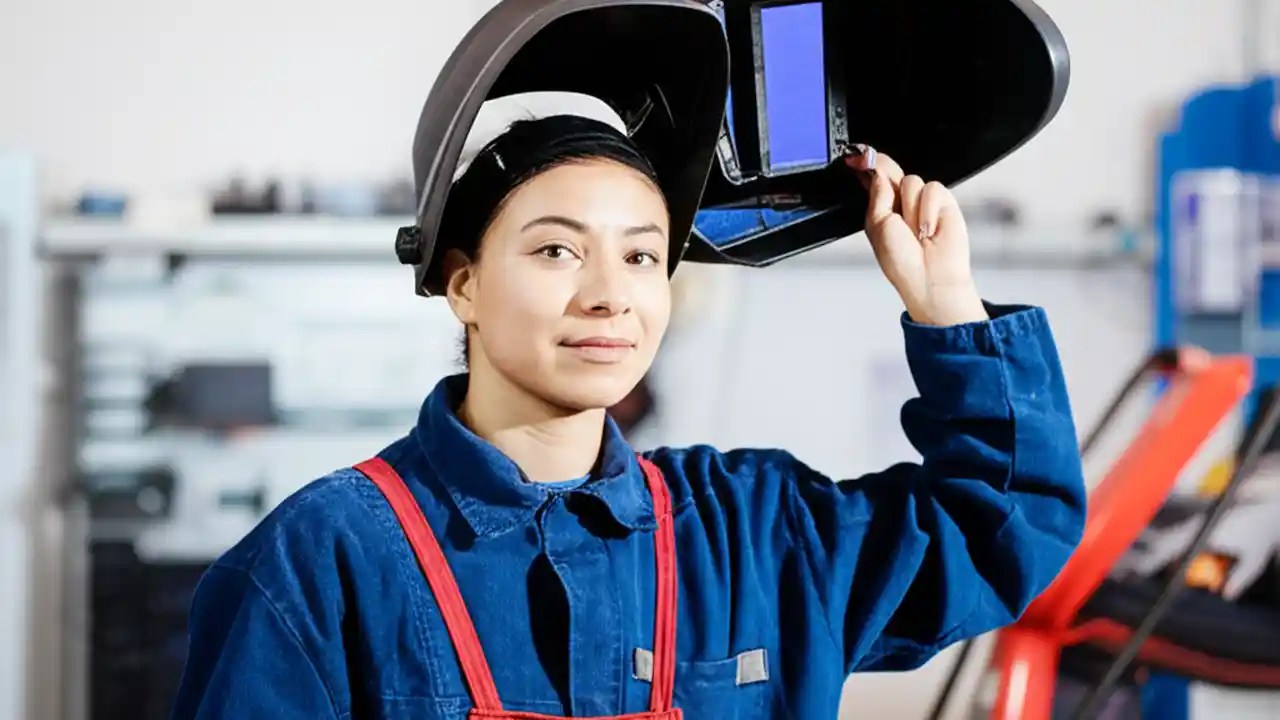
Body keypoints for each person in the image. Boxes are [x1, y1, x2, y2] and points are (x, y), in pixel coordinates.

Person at [170, 95, 1086, 720]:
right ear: (464, 287)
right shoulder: (324, 558)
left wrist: (948, 306)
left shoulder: (753, 534)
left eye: (643, 257)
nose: (611, 295)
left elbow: (1002, 528)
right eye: (557, 252)